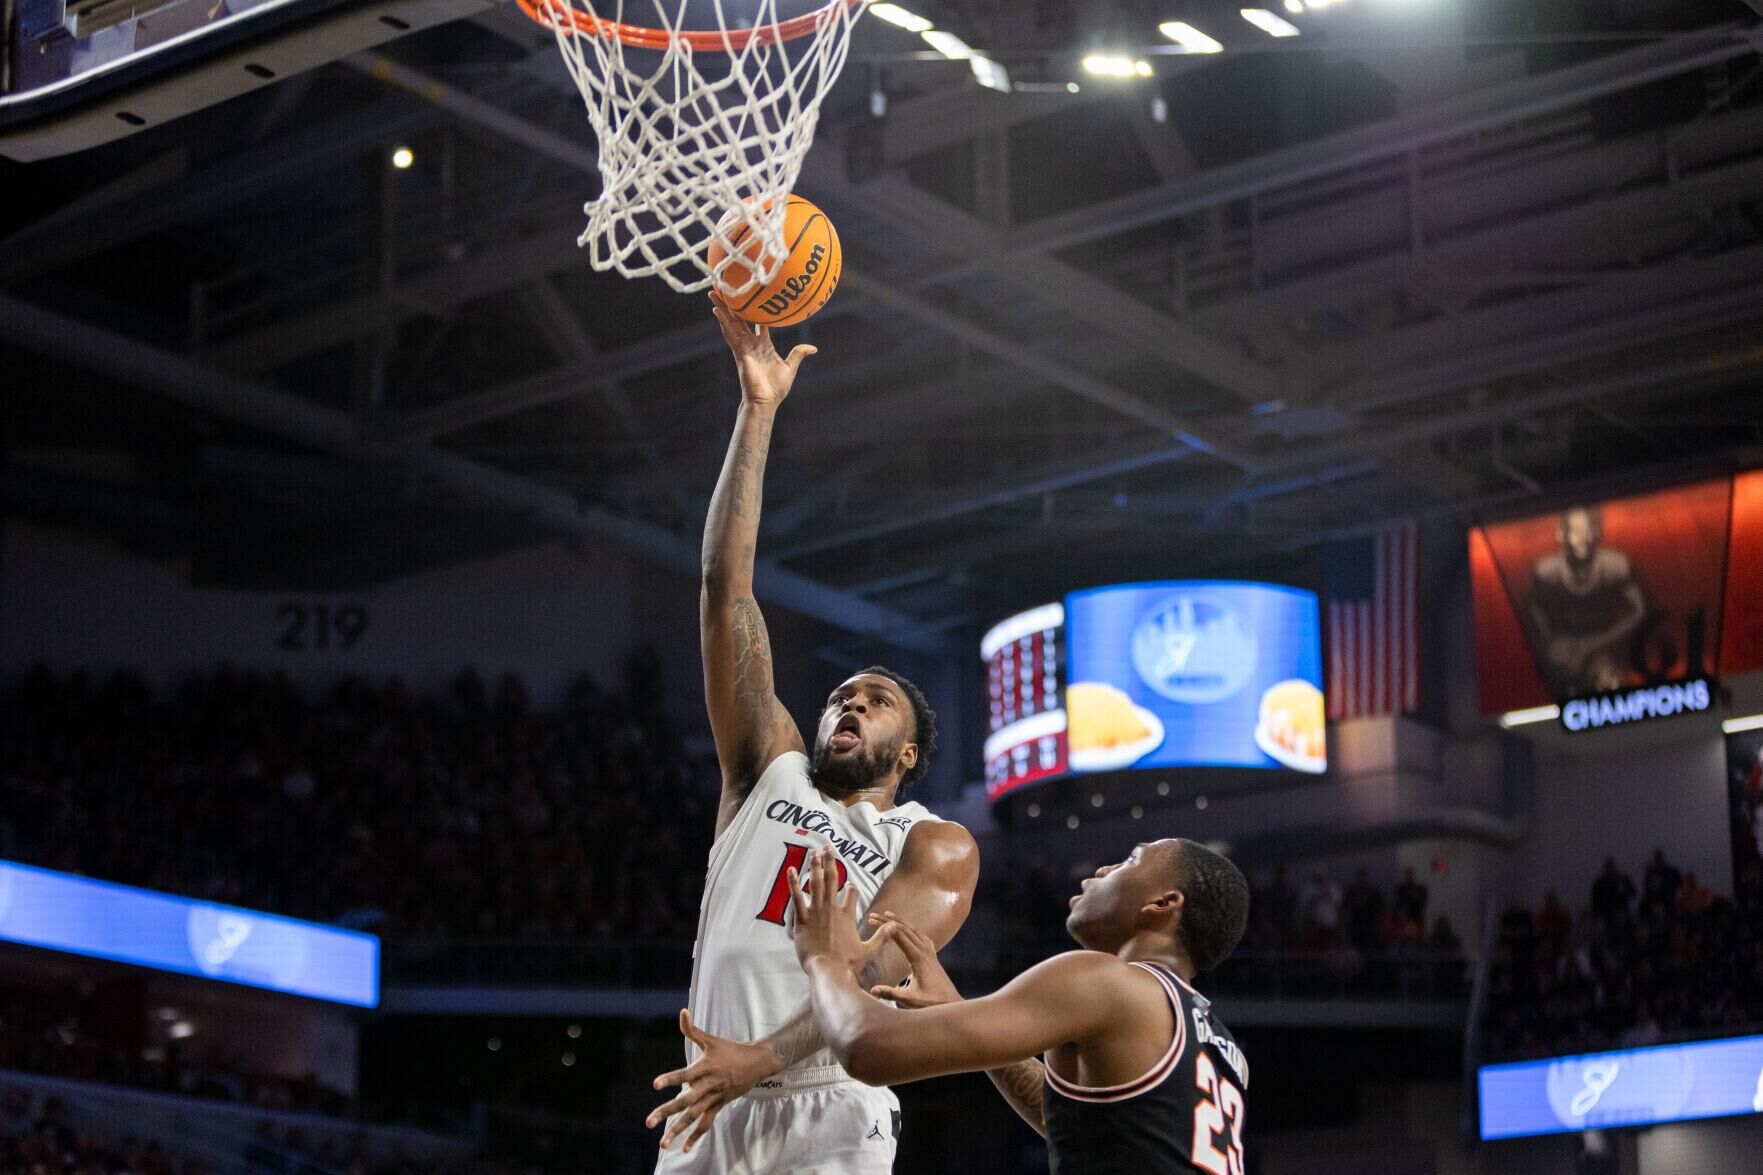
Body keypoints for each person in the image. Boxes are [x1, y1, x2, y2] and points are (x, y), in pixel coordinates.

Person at [645, 294, 980, 1172]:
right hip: (706, 1097)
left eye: (875, 701)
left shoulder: (931, 842)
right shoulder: (767, 771)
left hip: (823, 1103)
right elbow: (726, 589)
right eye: (840, 694)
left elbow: (869, 972)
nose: (849, 705)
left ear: (907, 753)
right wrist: (757, 412)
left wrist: (759, 1056)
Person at [789, 838, 1250, 1174]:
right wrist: (954, 1007)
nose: (1105, 869)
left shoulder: (1105, 982)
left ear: (1163, 903)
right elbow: (1074, 1125)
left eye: (1130, 859)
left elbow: (865, 1047)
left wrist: (823, 958)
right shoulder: (1220, 1044)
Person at [1526, 505, 1647, 696]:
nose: (1583, 538)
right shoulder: (1546, 571)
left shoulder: (1615, 565)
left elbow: (1639, 611)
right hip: (1563, 653)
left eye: (1589, 530)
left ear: (1598, 531)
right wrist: (1552, 643)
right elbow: (1534, 610)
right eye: (1575, 531)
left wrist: (1596, 643)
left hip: (1606, 648)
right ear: (1561, 534)